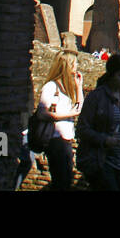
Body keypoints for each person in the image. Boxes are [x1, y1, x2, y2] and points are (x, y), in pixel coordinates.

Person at [76, 53, 120, 191]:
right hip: (102, 160)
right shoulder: (97, 97)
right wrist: (104, 140)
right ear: (111, 74)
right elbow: (82, 128)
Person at [37, 51, 83, 190]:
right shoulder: (51, 87)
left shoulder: (67, 88)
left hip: (66, 140)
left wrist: (79, 86)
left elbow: (79, 108)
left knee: (66, 180)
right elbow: (42, 113)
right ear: (66, 65)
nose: (77, 66)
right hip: (55, 140)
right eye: (74, 64)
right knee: (61, 181)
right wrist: (66, 114)